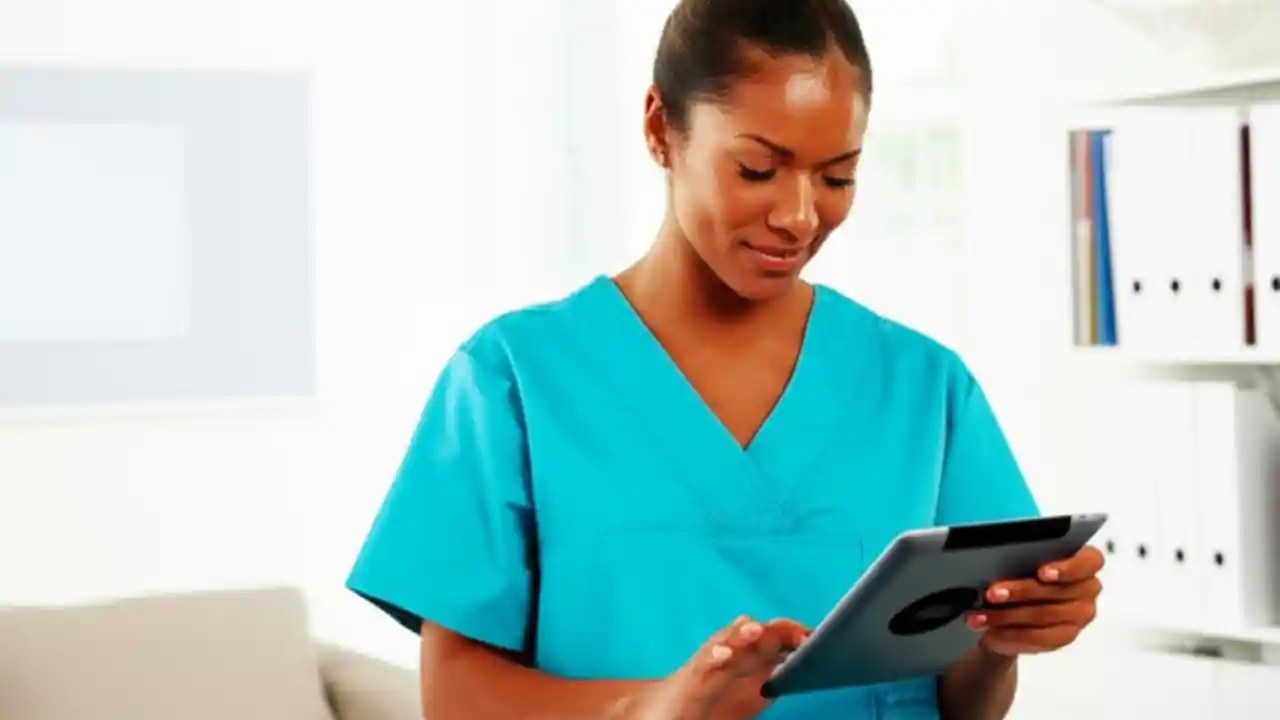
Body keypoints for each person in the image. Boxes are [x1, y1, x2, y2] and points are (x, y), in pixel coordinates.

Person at [345, 0, 1105, 717]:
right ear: (659, 128)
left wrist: (1002, 649)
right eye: (757, 170)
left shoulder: (923, 388)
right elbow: (454, 695)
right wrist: (651, 706)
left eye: (837, 176)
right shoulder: (513, 379)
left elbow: (957, 703)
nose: (800, 214)